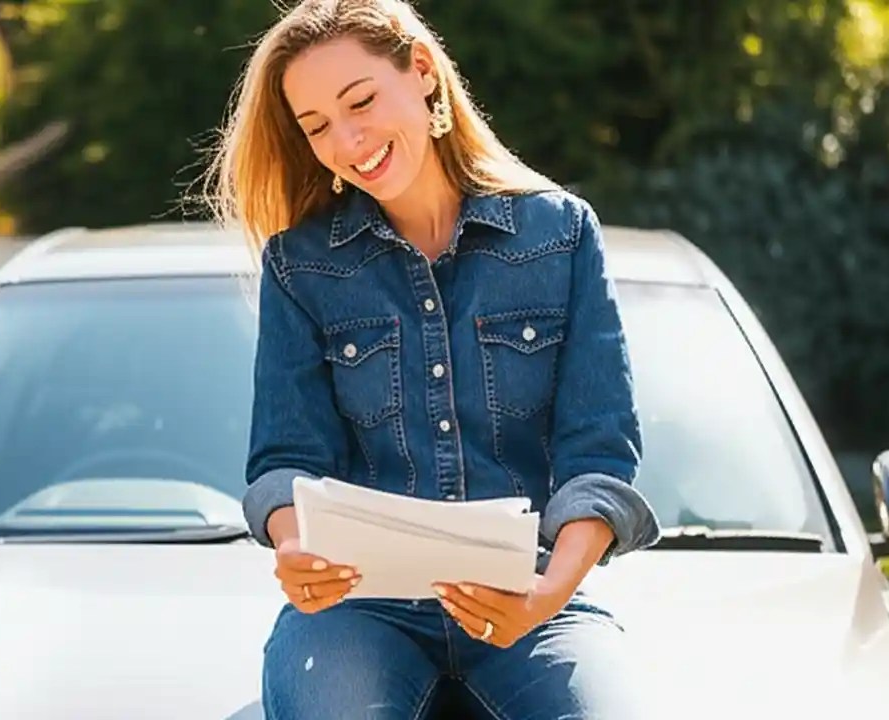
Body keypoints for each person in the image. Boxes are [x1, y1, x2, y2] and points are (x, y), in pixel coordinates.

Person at [201, 1, 662, 717]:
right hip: (359, 613)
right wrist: (295, 547)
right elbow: (285, 460)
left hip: (532, 601)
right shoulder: (300, 267)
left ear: (420, 72)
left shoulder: (560, 235)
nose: (349, 141)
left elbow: (598, 452)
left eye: (360, 102)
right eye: (317, 126)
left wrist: (546, 596)